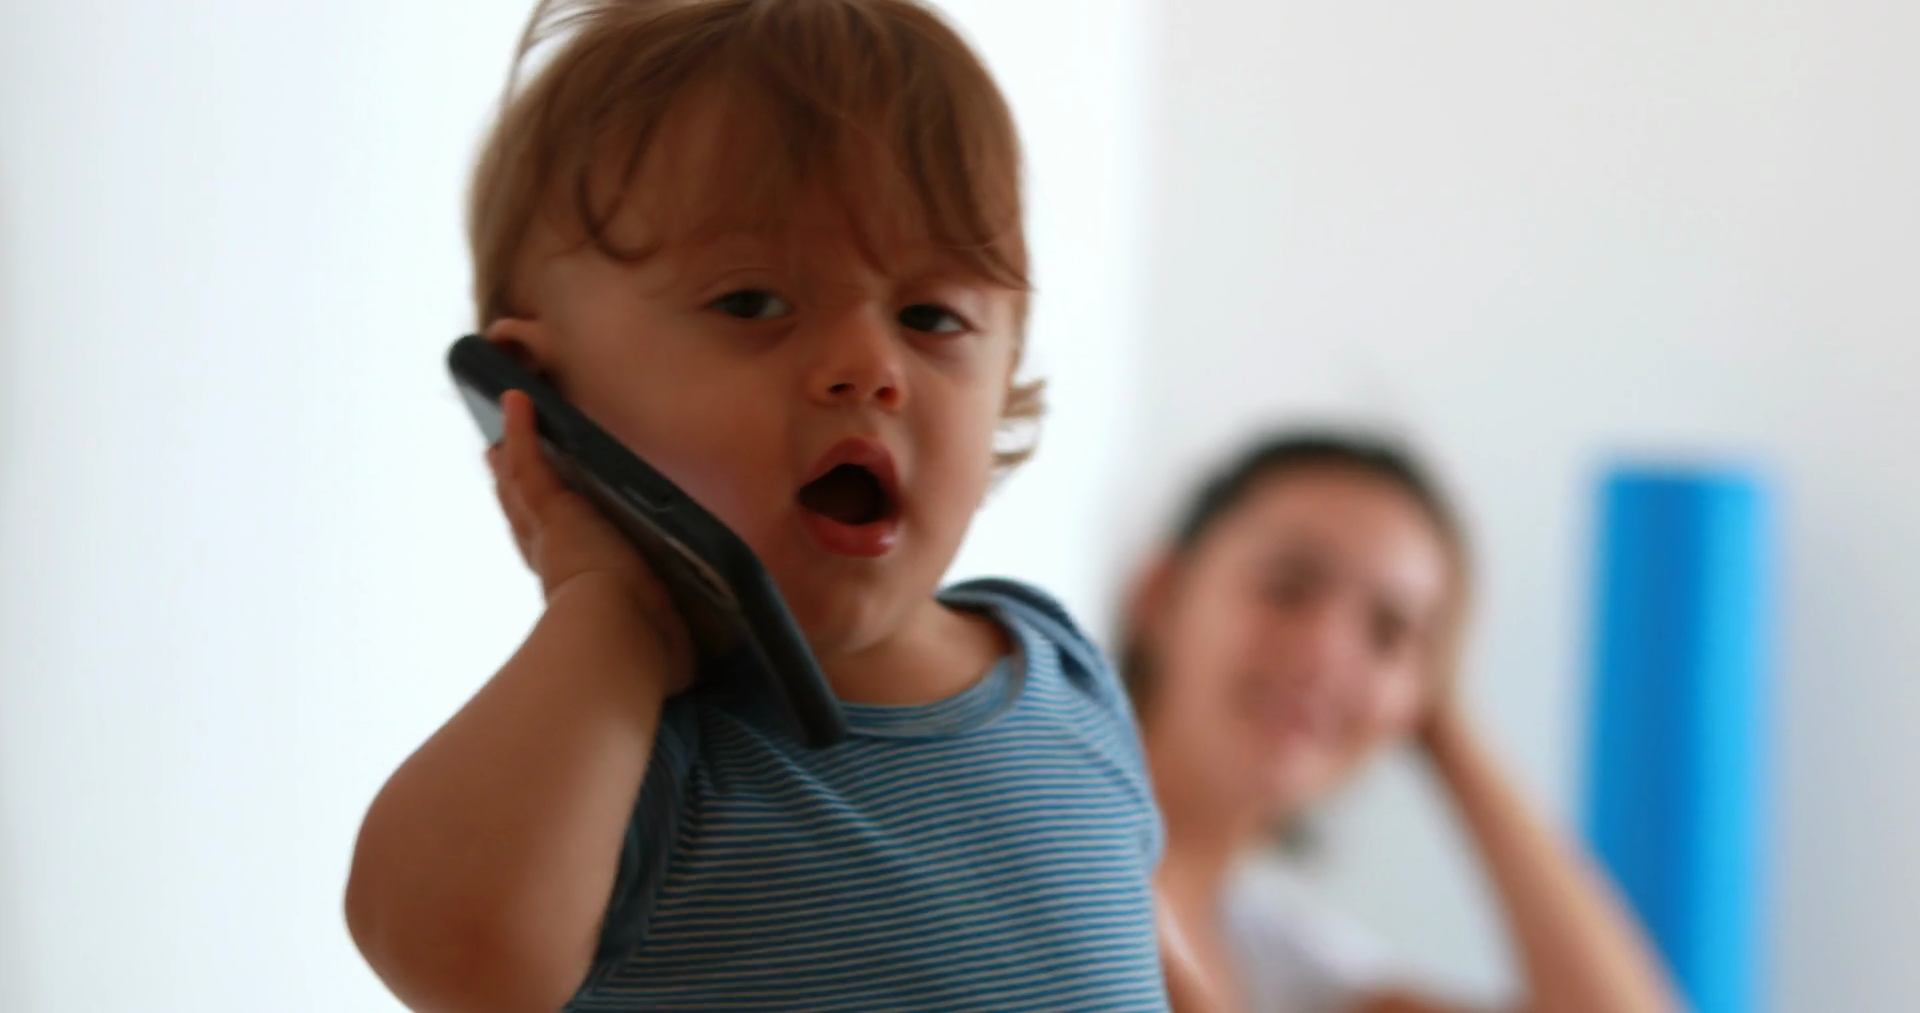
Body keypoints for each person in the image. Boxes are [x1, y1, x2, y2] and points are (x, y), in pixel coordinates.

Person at [344, 1, 1205, 1010]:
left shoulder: (1059, 671)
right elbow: (458, 954)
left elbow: (1151, 961)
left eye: (931, 316)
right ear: (547, 403)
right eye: (754, 303)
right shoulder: (624, 757)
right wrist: (609, 609)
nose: (868, 368)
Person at [1126, 433, 1679, 1013]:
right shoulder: (1045, 859)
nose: (1327, 655)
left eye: (1388, 633)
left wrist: (1445, 725)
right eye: (1288, 589)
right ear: (1162, 593)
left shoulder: (1280, 965)